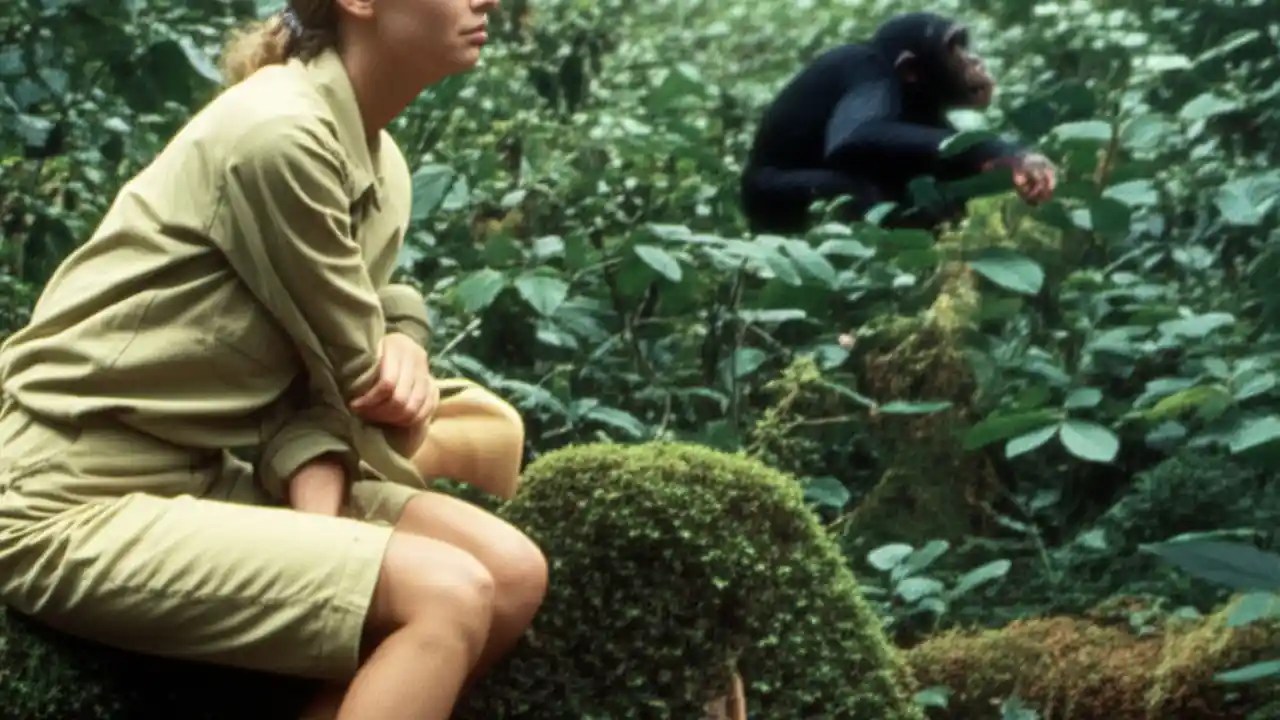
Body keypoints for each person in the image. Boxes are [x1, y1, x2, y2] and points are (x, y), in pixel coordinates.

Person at [0, 1, 547, 718]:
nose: (489, 1)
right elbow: (361, 389)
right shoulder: (279, 134)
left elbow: (347, 355)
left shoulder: (379, 164)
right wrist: (383, 374)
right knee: (447, 593)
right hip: (64, 497)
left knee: (511, 574)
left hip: (195, 473)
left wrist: (405, 335)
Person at [740, 12, 1056, 234]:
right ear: (910, 70)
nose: (971, 60)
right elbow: (853, 139)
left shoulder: (914, 101)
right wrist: (991, 149)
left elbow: (952, 155)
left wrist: (1014, 158)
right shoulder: (869, 69)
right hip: (777, 190)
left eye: (965, 46)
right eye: (953, 50)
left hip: (813, 181)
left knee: (941, 197)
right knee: (867, 193)